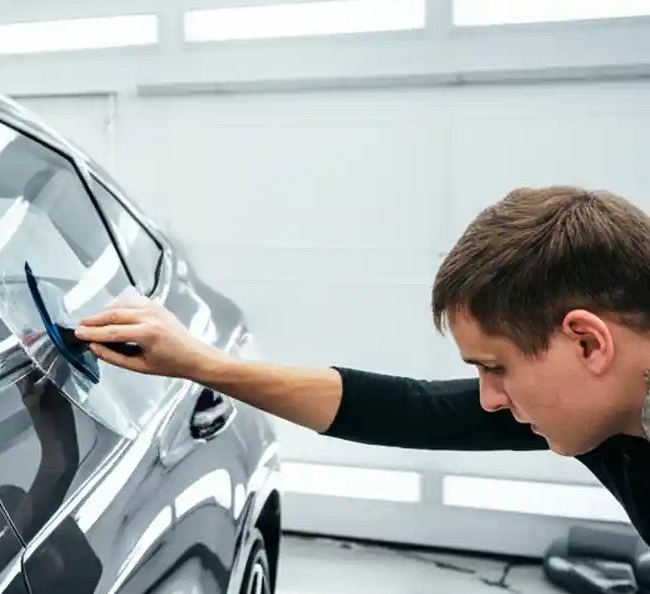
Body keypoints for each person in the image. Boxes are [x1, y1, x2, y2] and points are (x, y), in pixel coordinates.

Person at [75, 185, 650, 544]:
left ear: (588, 344)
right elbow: (411, 410)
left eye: (495, 367)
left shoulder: (588, 415)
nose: (488, 400)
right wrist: (199, 363)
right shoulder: (602, 411)